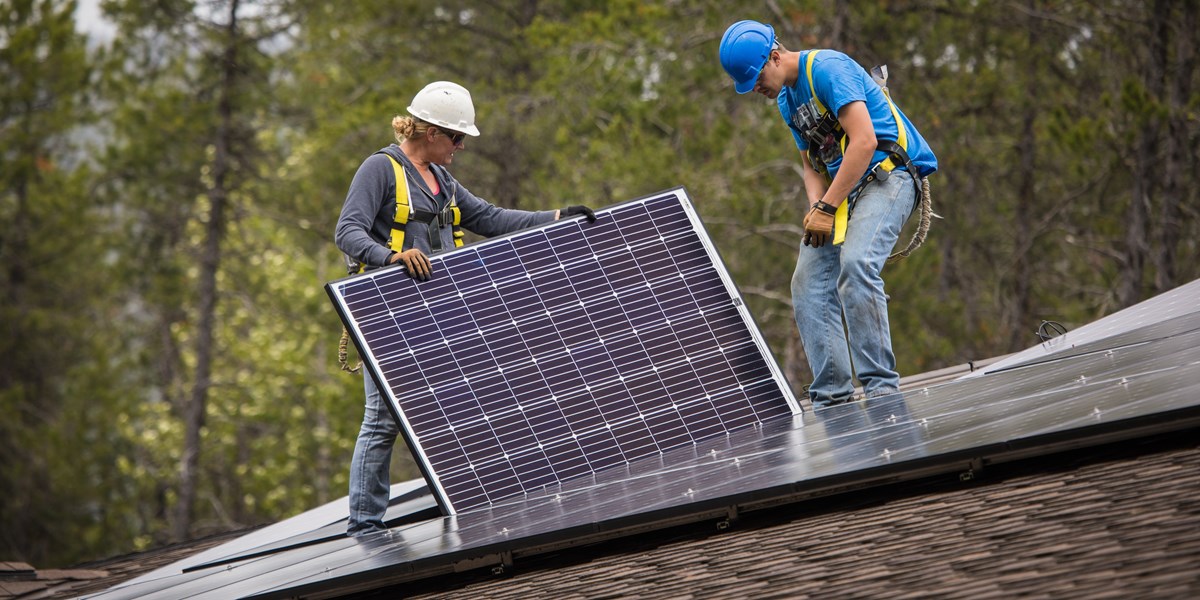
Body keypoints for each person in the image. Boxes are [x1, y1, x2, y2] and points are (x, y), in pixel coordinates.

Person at [335, 80, 595, 536]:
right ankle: (365, 528)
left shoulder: (444, 181)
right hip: (390, 312)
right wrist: (391, 257)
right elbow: (348, 232)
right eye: (455, 137)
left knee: (459, 408)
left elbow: (490, 219)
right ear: (429, 131)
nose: (459, 146)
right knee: (381, 420)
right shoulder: (380, 169)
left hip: (440, 313)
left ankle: (468, 501)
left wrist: (556, 218)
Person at [718, 20, 938, 409]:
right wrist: (815, 210)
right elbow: (811, 164)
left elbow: (865, 140)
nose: (756, 88)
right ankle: (831, 399)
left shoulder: (826, 69)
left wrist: (826, 207)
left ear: (775, 55)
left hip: (889, 175)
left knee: (856, 265)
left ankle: (881, 391)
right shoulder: (787, 100)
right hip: (843, 193)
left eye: (755, 78)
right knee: (807, 283)